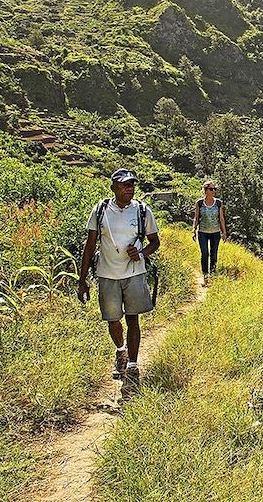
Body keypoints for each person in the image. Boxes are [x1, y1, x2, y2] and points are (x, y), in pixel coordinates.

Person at [77, 168, 160, 393]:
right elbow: (90, 245)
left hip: (134, 273)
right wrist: (82, 279)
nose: (129, 189)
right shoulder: (101, 210)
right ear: (113, 187)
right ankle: (120, 350)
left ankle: (132, 365)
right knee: (113, 320)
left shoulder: (142, 211)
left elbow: (154, 241)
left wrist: (142, 254)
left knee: (133, 320)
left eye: (132, 184)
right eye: (124, 185)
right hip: (107, 274)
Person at [193, 178, 227, 286]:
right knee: (204, 254)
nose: (213, 191)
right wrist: (193, 230)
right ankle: (205, 276)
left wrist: (224, 232)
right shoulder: (199, 203)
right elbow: (196, 218)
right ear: (206, 190)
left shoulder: (218, 203)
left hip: (215, 232)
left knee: (213, 254)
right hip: (202, 232)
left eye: (214, 189)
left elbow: (221, 218)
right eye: (211, 189)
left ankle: (212, 276)